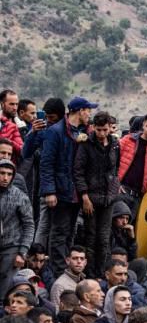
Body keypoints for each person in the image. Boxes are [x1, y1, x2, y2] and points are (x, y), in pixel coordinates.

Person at [39, 97, 93, 276]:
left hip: (76, 191)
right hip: (61, 190)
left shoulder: (86, 131)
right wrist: (49, 191)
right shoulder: (55, 131)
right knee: (59, 233)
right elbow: (46, 163)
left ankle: (67, 271)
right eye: (88, 110)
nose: (89, 114)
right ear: (80, 111)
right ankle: (58, 273)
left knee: (70, 232)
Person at [72, 112, 119, 278]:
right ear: (93, 128)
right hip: (91, 197)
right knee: (90, 237)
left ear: (110, 128)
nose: (102, 133)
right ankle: (90, 273)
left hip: (108, 197)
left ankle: (101, 273)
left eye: (105, 129)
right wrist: (84, 196)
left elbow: (116, 168)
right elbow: (78, 171)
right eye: (99, 130)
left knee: (104, 238)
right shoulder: (86, 144)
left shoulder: (114, 144)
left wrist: (115, 186)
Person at [0, 158, 34, 298]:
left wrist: (22, 252)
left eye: (9, 174)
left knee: (5, 291)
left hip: (11, 247)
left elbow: (29, 225)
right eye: (2, 173)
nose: (5, 177)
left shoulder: (20, 197)